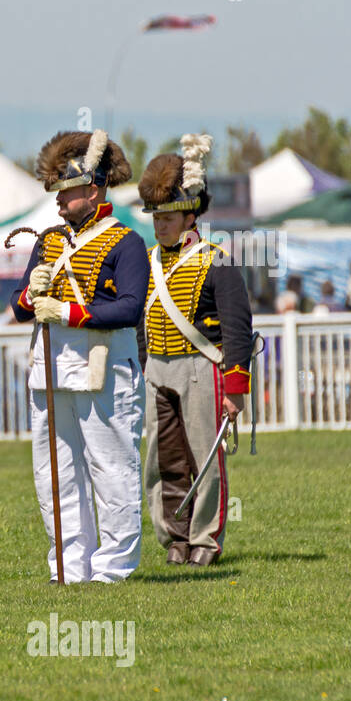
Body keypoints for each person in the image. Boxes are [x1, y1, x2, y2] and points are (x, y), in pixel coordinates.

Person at [9, 129, 147, 584]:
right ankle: (69, 565)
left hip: (104, 368)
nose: (58, 200)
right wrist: (33, 294)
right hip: (50, 371)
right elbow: (18, 307)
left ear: (92, 189)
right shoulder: (48, 241)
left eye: (65, 191)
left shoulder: (126, 242)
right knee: (56, 475)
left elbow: (129, 307)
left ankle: (112, 568)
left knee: (111, 471)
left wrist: (65, 310)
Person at [136, 136, 254, 568]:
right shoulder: (148, 261)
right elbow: (141, 324)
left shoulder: (216, 259)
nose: (160, 225)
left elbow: (238, 326)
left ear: (190, 215)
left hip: (202, 367)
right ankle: (174, 537)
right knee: (163, 459)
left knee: (205, 459)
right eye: (156, 216)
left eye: (168, 216)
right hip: (158, 370)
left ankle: (205, 538)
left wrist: (236, 385)